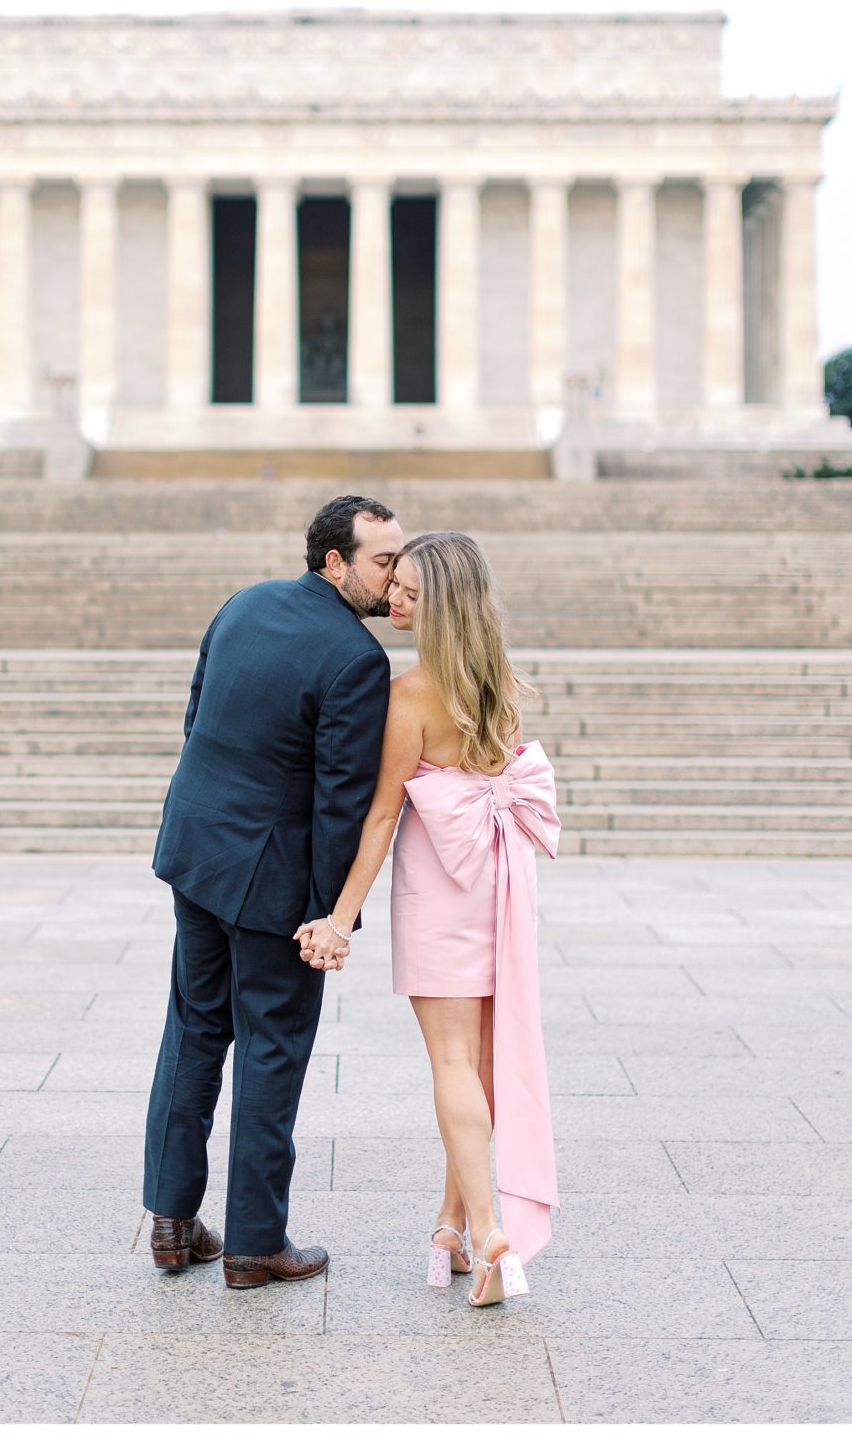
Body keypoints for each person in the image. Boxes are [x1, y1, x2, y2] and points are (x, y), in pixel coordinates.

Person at [143, 495, 405, 1288]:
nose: (397, 574)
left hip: (197, 852)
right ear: (337, 563)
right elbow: (341, 804)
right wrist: (332, 913)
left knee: (193, 1032)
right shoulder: (357, 660)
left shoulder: (245, 602)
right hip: (272, 887)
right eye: (384, 559)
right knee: (272, 1052)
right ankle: (257, 1243)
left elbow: (196, 719)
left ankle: (171, 1223)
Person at [296, 531, 560, 1308]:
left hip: (441, 889)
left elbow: (381, 818)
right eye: (394, 584)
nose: (394, 599)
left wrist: (339, 918)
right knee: (475, 1069)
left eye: (410, 589)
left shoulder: (408, 694)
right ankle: (449, 1224)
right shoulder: (498, 680)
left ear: (441, 601)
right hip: (495, 884)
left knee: (451, 1065)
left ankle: (489, 1230)